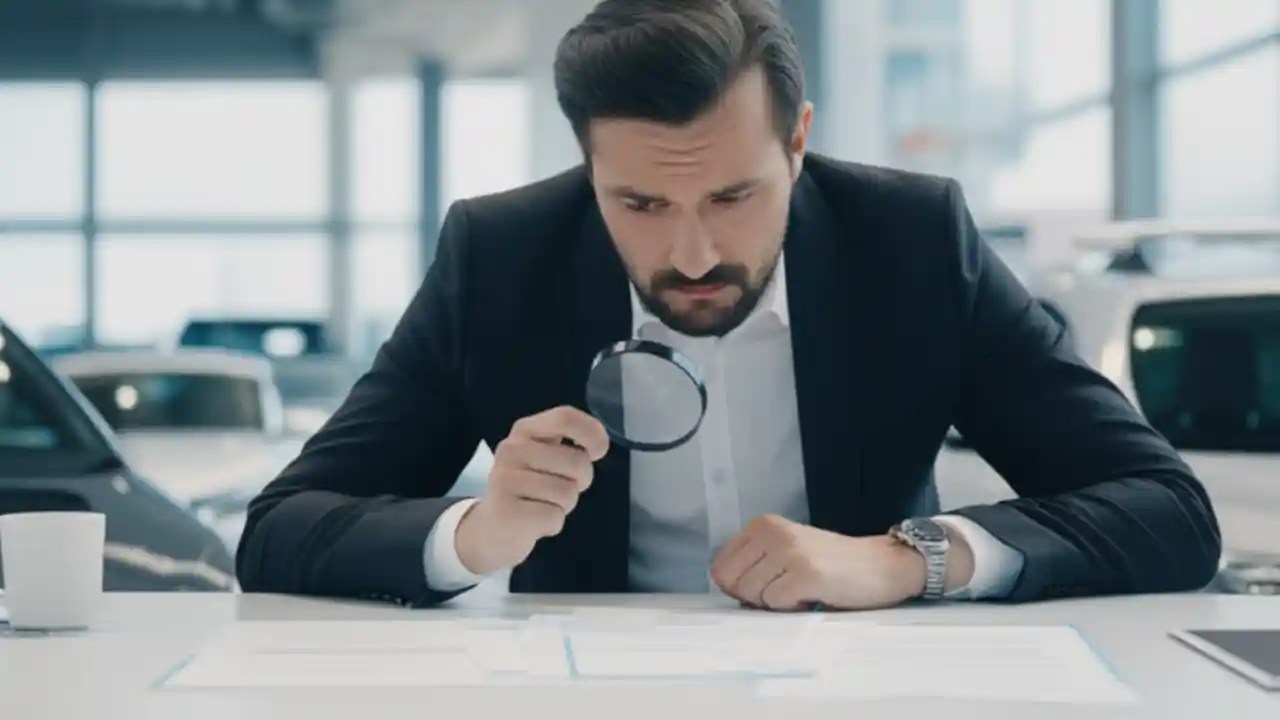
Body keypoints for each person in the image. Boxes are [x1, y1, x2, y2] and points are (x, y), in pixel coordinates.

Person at [236, 0, 1221, 611]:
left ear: (796, 143)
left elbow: (1164, 510)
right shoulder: (497, 257)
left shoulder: (911, 242)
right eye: (639, 203)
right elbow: (278, 529)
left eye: (733, 196)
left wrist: (902, 560)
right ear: (587, 167)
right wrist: (473, 534)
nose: (692, 253)